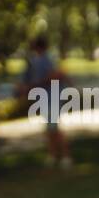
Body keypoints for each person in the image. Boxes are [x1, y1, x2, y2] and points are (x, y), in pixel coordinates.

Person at [21, 35, 70, 168]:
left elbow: (55, 75)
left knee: (53, 128)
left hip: (51, 97)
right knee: (50, 128)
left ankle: (64, 156)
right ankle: (53, 155)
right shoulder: (42, 59)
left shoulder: (45, 60)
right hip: (47, 97)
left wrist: (34, 85)